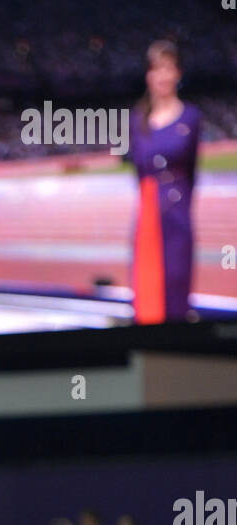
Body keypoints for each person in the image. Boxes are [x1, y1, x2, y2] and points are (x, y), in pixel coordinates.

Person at [126, 40, 201, 323]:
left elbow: (194, 172)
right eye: (157, 69)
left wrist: (179, 203)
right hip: (147, 217)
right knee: (146, 291)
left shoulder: (192, 117)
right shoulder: (136, 120)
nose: (163, 76)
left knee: (176, 285)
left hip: (179, 218)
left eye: (169, 68)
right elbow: (138, 171)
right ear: (148, 75)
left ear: (178, 73)